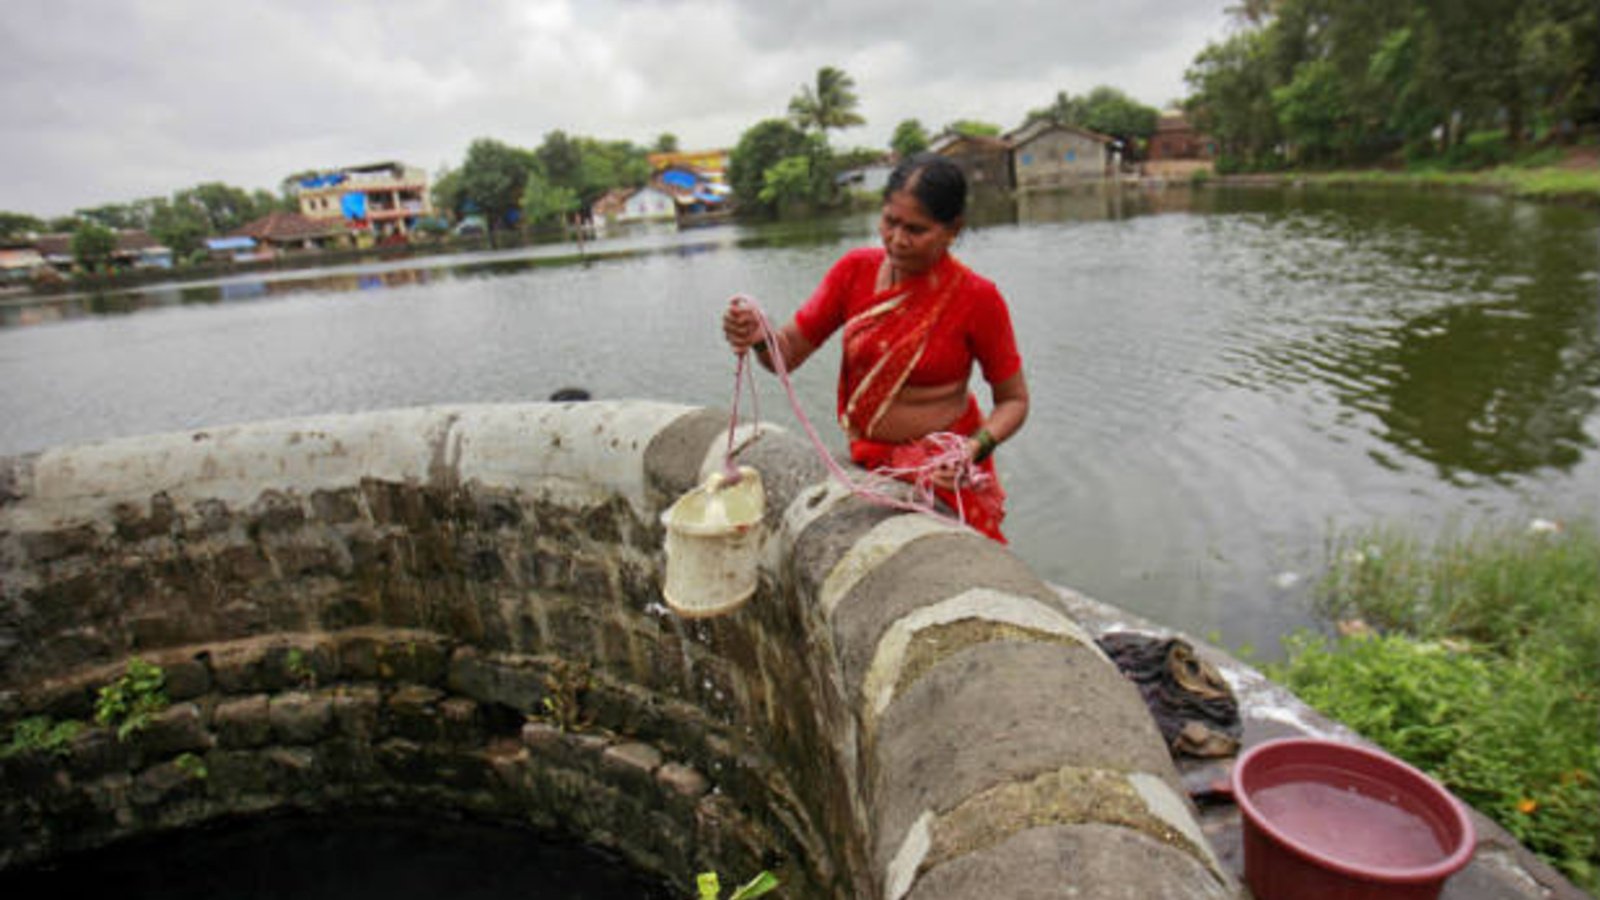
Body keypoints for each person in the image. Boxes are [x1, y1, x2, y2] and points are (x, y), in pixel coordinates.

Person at [721, 153, 1029, 542]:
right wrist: (758, 335)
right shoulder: (854, 272)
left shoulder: (977, 299)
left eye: (916, 230)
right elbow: (788, 355)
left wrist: (973, 449)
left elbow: (1014, 401)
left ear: (953, 229)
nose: (897, 240)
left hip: (943, 473)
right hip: (868, 464)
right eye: (890, 222)